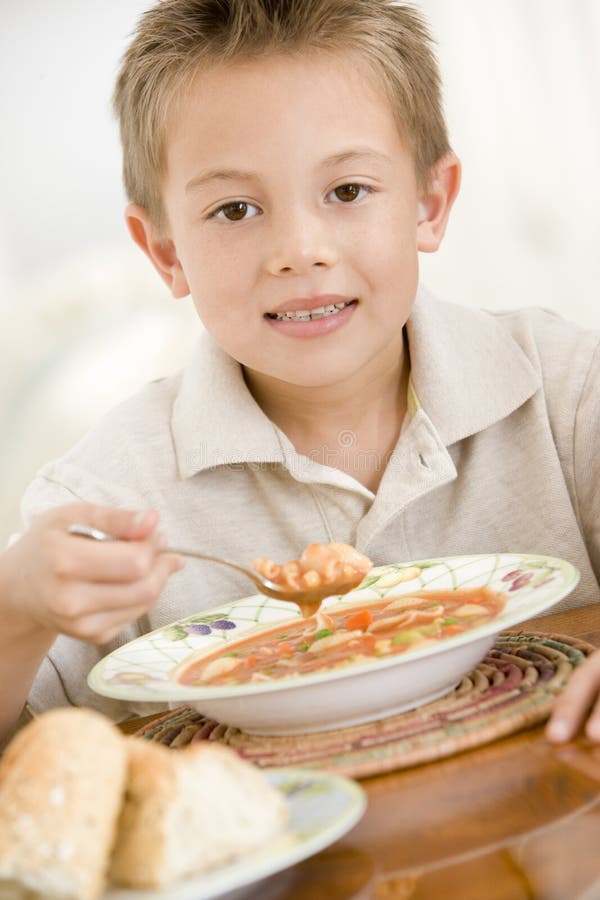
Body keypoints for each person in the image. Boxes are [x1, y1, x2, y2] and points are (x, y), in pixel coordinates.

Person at [1, 0, 598, 746]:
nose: (299, 249)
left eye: (347, 191)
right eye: (236, 208)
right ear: (165, 253)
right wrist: (16, 610)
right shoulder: (107, 495)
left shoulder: (566, 390)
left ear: (430, 204)